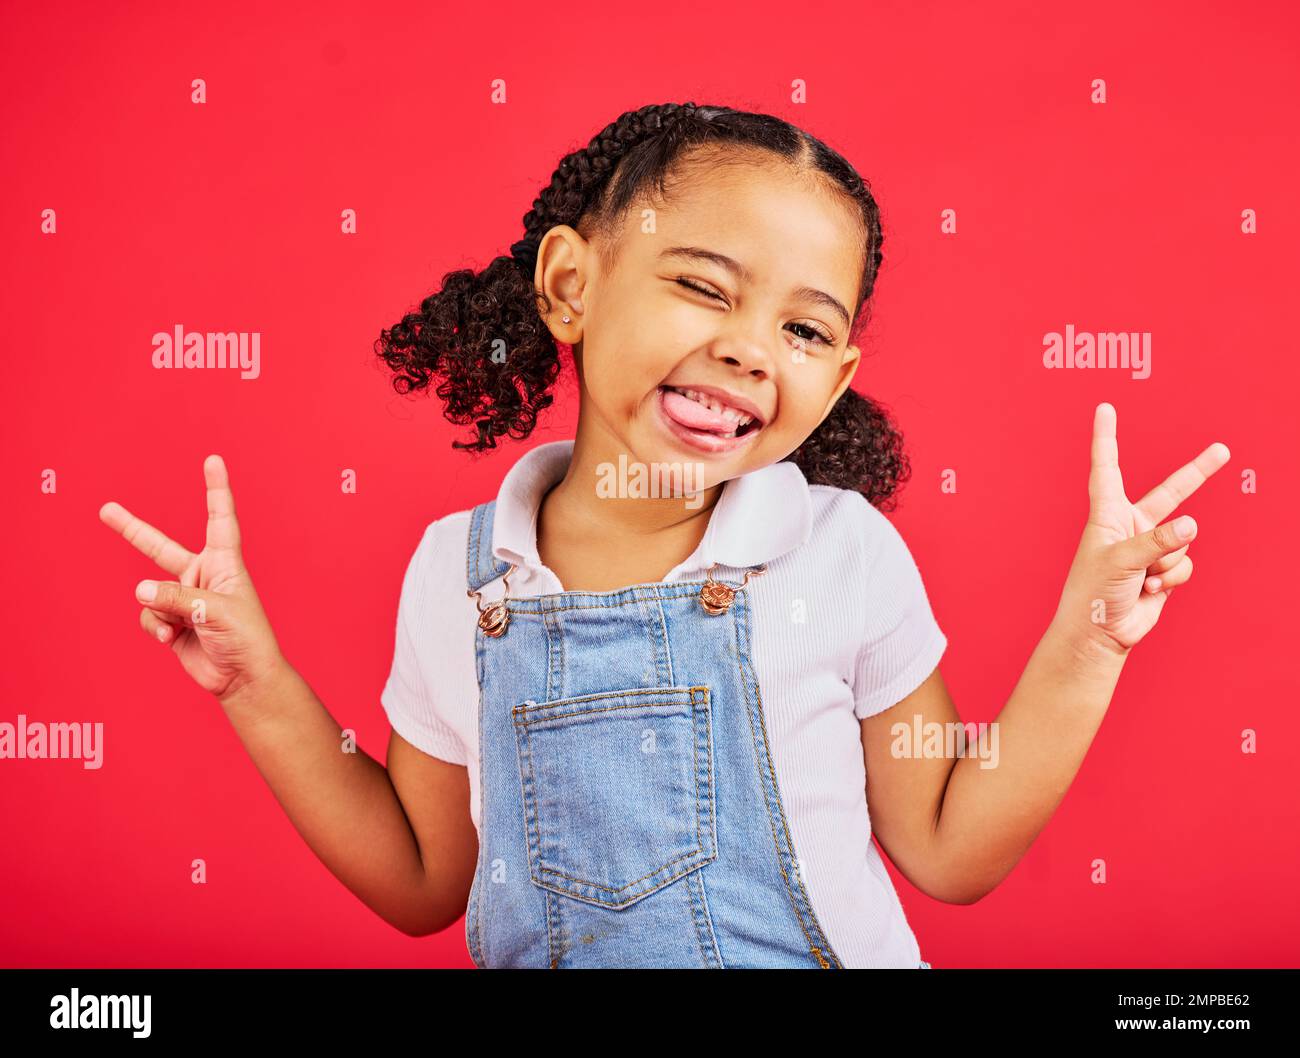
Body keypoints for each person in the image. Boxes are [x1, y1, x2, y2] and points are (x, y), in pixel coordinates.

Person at [98, 102, 1229, 968]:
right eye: (702, 286)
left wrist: (1094, 638)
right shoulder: (459, 574)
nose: (749, 349)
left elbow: (947, 843)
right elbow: (421, 875)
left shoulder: (839, 554)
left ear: (833, 382)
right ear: (569, 283)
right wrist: (256, 684)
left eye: (801, 327)